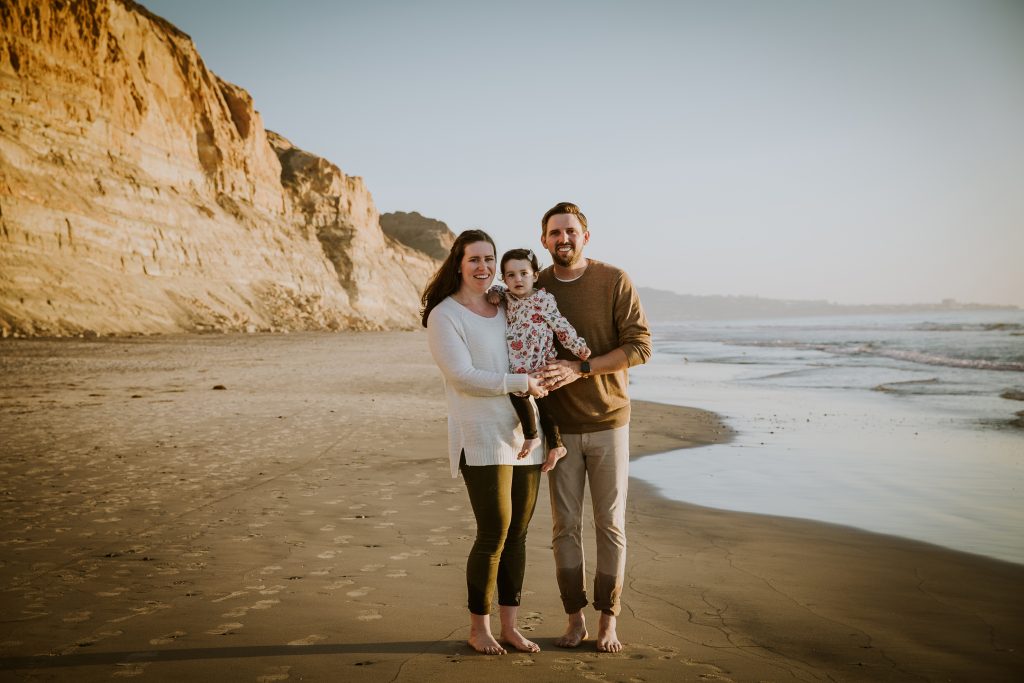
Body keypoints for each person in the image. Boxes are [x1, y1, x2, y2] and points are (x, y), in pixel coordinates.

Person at [421, 229, 552, 656]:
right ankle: (480, 628)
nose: (483, 267)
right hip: (480, 436)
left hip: (524, 433)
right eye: (474, 259)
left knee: (518, 535)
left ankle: (510, 627)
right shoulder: (445, 315)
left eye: (489, 259)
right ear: (458, 264)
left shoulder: (504, 304)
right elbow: (463, 377)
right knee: (493, 532)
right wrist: (521, 382)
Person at [535, 202, 652, 653]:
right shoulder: (536, 285)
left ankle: (609, 620)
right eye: (555, 232)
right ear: (544, 240)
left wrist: (581, 368)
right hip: (559, 431)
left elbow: (640, 347)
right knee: (564, 527)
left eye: (570, 231)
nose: (563, 239)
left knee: (610, 525)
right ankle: (574, 620)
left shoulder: (614, 280)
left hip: (609, 422)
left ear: (585, 236)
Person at [488, 248, 591, 474]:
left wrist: (578, 347)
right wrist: (494, 292)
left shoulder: (542, 300)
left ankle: (552, 443)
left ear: (535, 276)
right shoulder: (507, 296)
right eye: (511, 275)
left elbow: (561, 326)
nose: (518, 279)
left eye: (524, 273)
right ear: (504, 279)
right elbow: (495, 289)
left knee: (546, 404)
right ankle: (539, 438)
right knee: (517, 395)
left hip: (540, 360)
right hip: (518, 366)